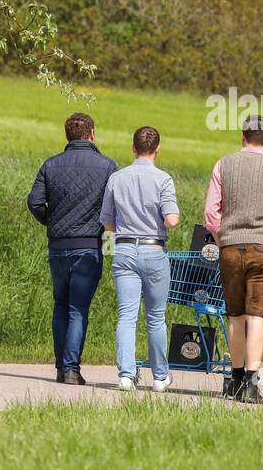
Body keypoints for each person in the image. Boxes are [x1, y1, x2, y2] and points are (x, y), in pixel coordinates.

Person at [203, 114, 263, 404]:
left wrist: (223, 239)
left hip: (231, 247)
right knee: (256, 316)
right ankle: (252, 383)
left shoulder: (223, 164)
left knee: (235, 315)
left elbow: (211, 215)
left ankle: (234, 376)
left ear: (242, 136)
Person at [27, 112, 117, 385]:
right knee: (78, 308)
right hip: (89, 246)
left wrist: (50, 221)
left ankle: (60, 366)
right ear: (92, 135)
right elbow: (114, 207)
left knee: (60, 304)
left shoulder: (51, 164)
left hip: (57, 245)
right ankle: (70, 368)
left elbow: (34, 202)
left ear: (68, 135)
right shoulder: (107, 166)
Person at [100, 126, 180, 392]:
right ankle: (160, 377)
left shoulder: (116, 178)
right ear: (157, 149)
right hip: (153, 250)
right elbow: (171, 220)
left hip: (123, 249)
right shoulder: (164, 179)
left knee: (126, 316)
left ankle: (126, 375)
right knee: (156, 317)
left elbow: (108, 224)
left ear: (133, 148)